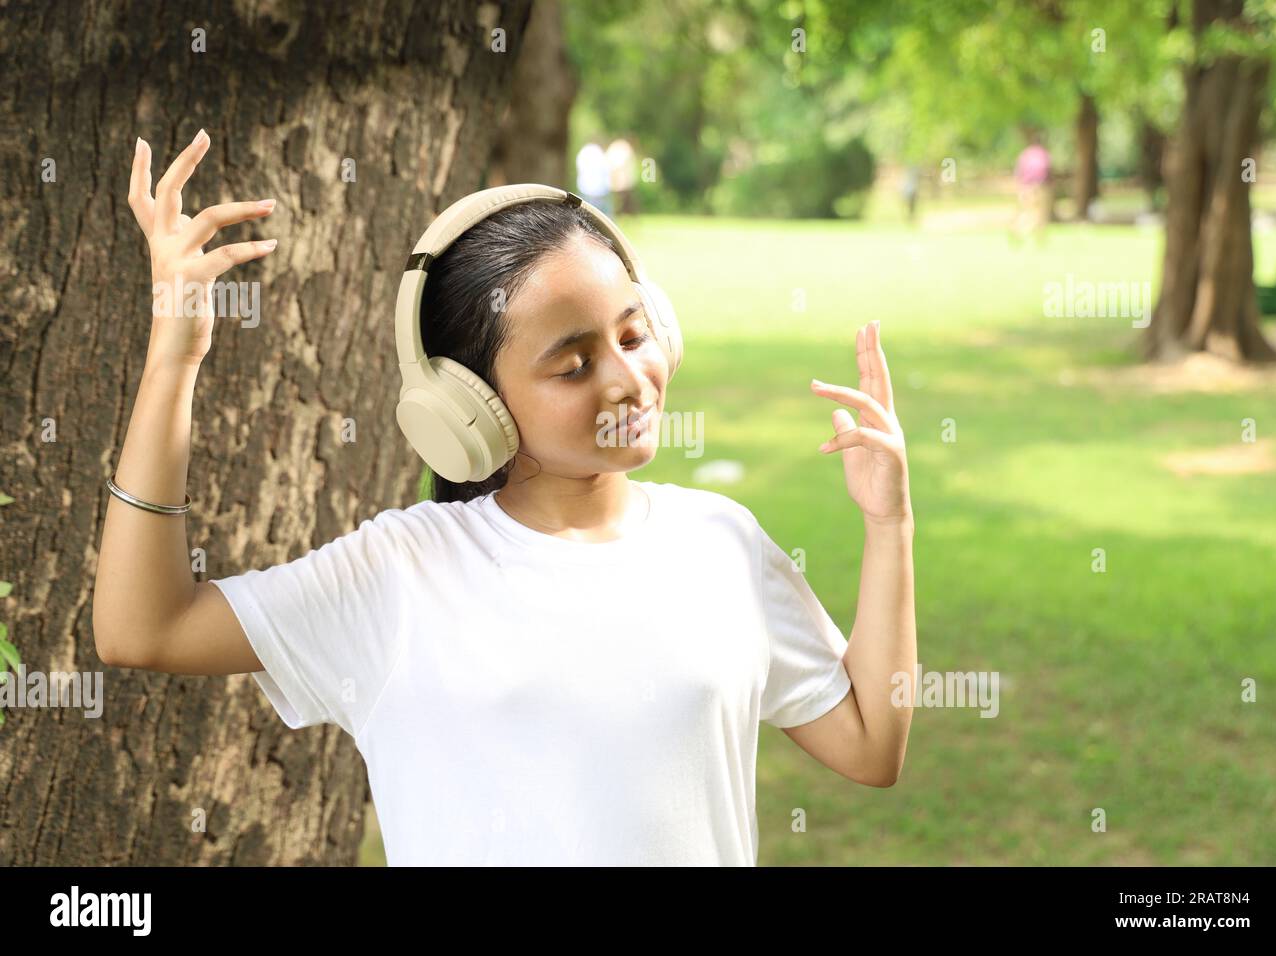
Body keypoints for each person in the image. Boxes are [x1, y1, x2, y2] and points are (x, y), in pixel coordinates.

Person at [96, 133, 917, 866]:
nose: (629, 378)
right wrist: (175, 356)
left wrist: (889, 524)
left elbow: (871, 745)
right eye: (573, 363)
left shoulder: (723, 542)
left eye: (634, 335)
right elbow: (144, 628)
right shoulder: (402, 573)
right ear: (468, 406)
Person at [1013, 132, 1052, 244]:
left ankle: (1019, 229)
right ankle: (1039, 236)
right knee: (1041, 212)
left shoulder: (1024, 154)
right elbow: (1048, 171)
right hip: (1040, 185)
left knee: (1027, 210)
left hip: (1025, 186)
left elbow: (1018, 173)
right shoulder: (1044, 154)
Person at [575, 139, 612, 216]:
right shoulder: (600, 153)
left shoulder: (583, 152)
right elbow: (607, 170)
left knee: (584, 215)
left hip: (585, 188)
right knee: (604, 217)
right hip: (600, 190)